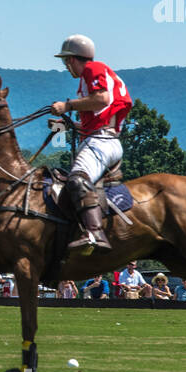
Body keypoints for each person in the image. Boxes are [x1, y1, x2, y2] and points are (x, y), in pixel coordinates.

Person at [50, 34, 133, 254]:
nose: (66, 66)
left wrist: (67, 106)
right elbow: (96, 118)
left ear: (72, 59)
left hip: (102, 141)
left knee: (77, 179)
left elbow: (102, 99)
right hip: (101, 137)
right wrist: (69, 125)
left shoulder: (92, 69)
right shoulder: (90, 74)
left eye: (66, 61)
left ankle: (95, 234)